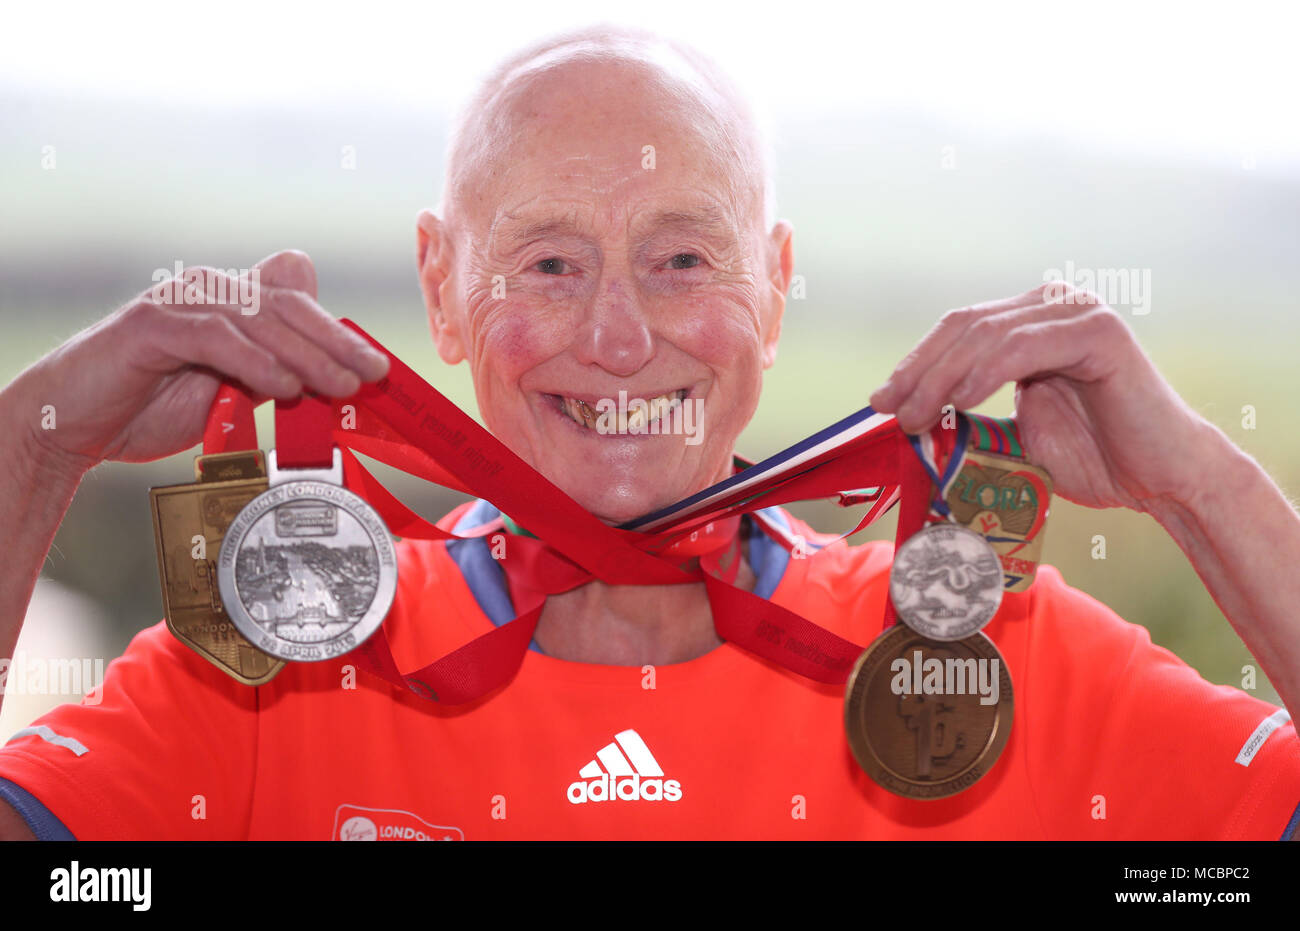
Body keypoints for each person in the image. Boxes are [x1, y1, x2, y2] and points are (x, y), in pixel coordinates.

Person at [1, 25, 1297, 840]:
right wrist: (34, 445)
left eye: (684, 258)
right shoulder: (272, 666)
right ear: (442, 288)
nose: (620, 339)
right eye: (551, 264)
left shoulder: (997, 656)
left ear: (776, 283)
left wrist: (1204, 489)